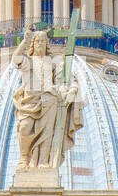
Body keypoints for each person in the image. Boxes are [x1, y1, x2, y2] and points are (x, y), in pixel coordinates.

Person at [12, 28, 81, 168]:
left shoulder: (54, 61)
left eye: (43, 41)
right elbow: (16, 59)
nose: (40, 43)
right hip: (29, 101)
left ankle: (43, 161)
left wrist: (72, 88)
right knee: (25, 127)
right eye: (37, 41)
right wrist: (24, 42)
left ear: (47, 44)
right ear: (33, 43)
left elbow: (65, 77)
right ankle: (24, 158)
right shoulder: (28, 60)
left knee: (47, 132)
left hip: (49, 99)